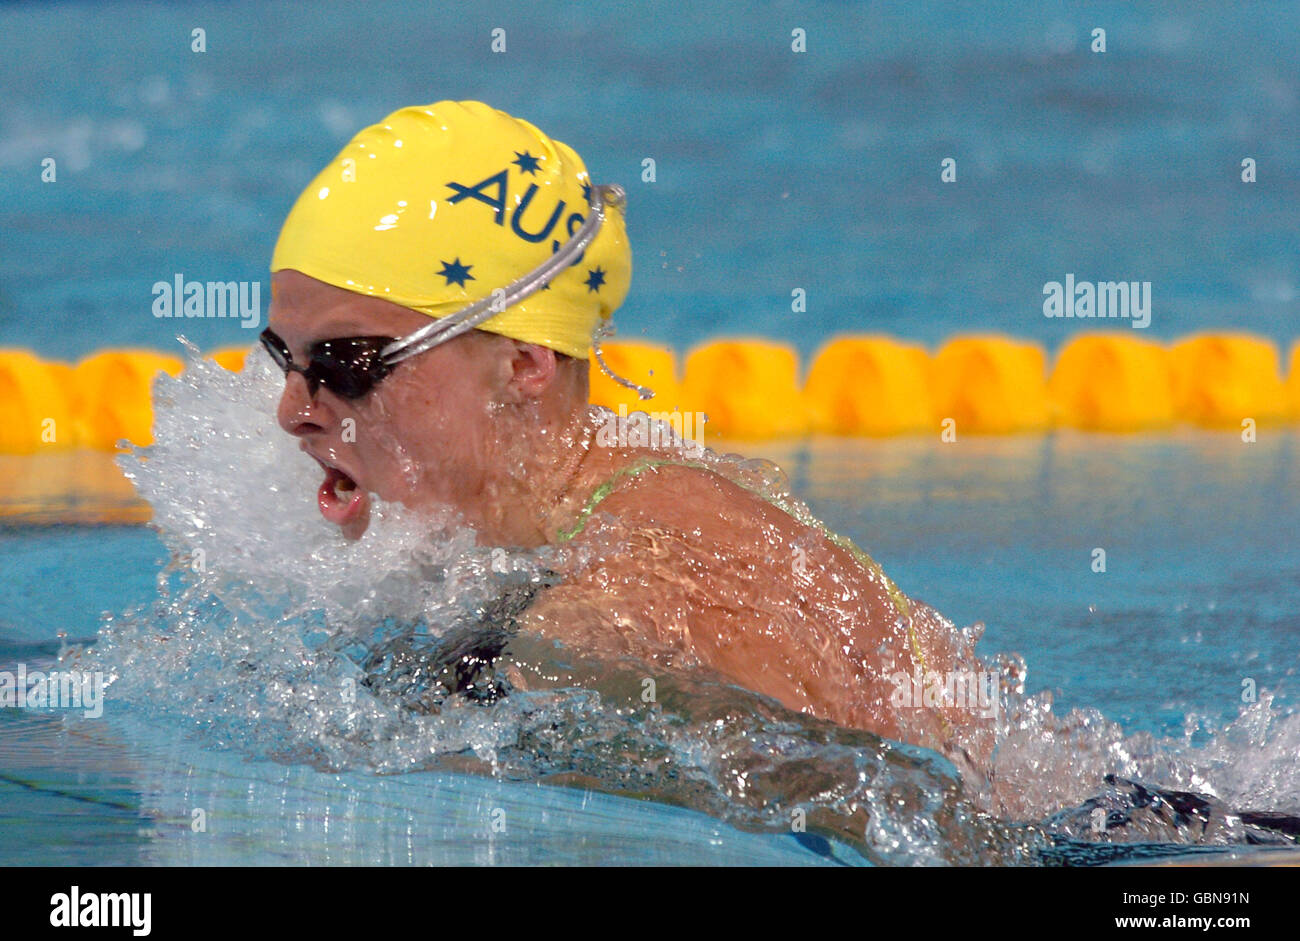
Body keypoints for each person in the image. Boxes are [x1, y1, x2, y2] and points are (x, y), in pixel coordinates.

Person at [265, 100, 994, 773]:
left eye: (346, 363)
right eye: (284, 358)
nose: (294, 410)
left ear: (522, 366)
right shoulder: (571, 532)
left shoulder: (632, 589)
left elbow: (890, 804)